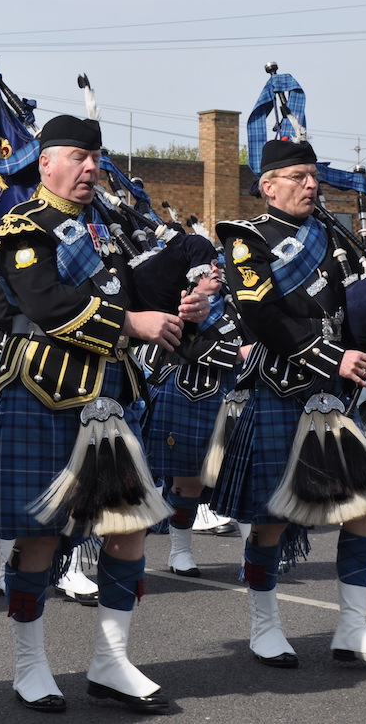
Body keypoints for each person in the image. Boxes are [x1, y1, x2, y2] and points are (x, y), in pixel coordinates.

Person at [0, 114, 205, 714]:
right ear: (46, 163)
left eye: (95, 157)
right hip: (42, 391)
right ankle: (29, 664)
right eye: (76, 156)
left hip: (111, 396)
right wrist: (129, 323)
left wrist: (177, 308)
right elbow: (46, 302)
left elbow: (130, 295)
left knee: (128, 526)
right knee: (41, 533)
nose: (90, 167)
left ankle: (110, 663)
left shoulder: (106, 227)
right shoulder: (21, 226)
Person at [210, 138, 366, 669]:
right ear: (267, 185)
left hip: (332, 394)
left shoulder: (332, 239)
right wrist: (333, 357)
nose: (310, 184)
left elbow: (352, 310)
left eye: (312, 175)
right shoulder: (245, 240)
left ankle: (352, 628)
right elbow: (262, 316)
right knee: (271, 516)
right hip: (282, 387)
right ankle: (265, 627)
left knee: (363, 509)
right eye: (296, 176)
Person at [139, 241, 243, 578]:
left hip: (233, 395)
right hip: (187, 392)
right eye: (208, 264)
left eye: (218, 264)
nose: (216, 269)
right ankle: (179, 552)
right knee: (188, 480)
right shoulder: (176, 301)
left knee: (244, 476)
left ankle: (254, 553)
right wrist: (238, 356)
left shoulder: (236, 302)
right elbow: (186, 346)